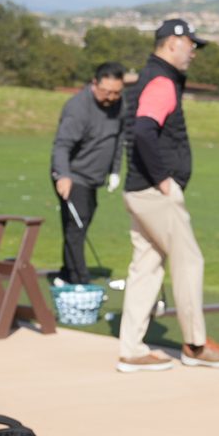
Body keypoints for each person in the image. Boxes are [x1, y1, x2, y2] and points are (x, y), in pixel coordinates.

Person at [115, 18, 219, 373]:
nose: (194, 52)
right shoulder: (162, 80)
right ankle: (196, 344)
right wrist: (164, 180)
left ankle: (132, 349)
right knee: (188, 260)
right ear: (171, 44)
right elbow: (144, 130)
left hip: (139, 189)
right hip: (154, 192)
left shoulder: (150, 77)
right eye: (190, 45)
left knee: (147, 265)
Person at [50, 61, 126, 286]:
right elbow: (62, 145)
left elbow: (118, 138)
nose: (111, 97)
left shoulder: (120, 105)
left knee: (80, 223)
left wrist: (114, 170)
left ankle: (66, 273)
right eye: (106, 92)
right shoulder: (78, 108)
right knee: (77, 226)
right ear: (95, 83)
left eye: (116, 92)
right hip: (73, 176)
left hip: (95, 177)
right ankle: (79, 281)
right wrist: (63, 176)